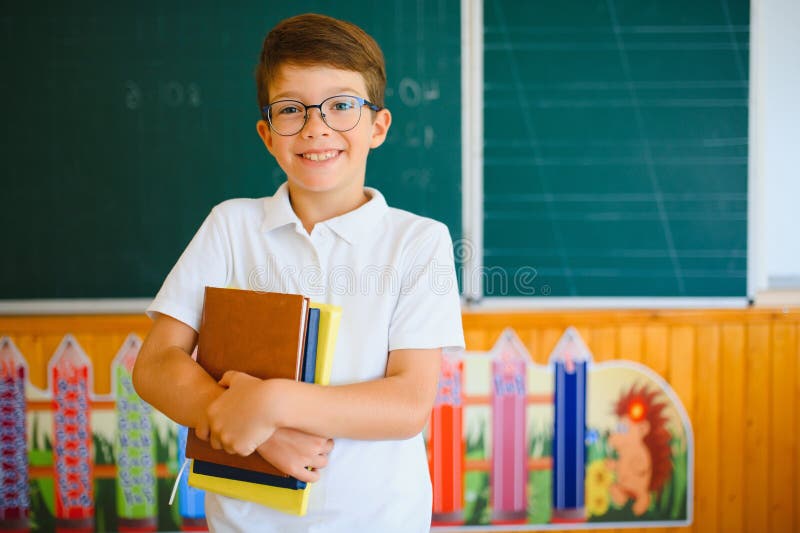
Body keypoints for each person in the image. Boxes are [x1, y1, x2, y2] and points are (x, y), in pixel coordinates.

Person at [132, 12, 464, 533]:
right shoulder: (231, 226)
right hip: (247, 523)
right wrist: (260, 430)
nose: (316, 127)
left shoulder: (418, 242)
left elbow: (407, 404)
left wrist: (274, 402)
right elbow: (155, 366)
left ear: (378, 126)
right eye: (292, 109)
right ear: (268, 134)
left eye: (341, 106)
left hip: (380, 522)